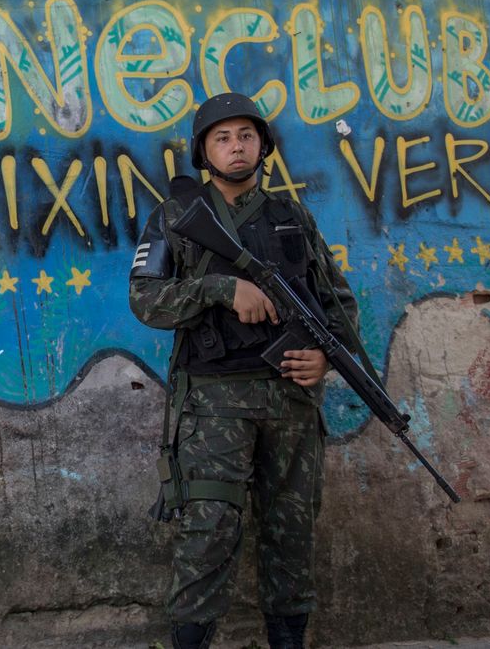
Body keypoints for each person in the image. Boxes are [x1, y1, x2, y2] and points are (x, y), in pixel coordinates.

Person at [129, 92, 367, 649]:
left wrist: (326, 359)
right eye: (222, 137)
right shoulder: (176, 219)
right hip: (213, 406)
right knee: (207, 533)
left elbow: (339, 308)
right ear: (203, 151)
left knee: (291, 534)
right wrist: (219, 288)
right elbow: (145, 300)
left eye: (246, 136)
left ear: (263, 146)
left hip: (289, 401)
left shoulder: (293, 218)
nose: (236, 147)